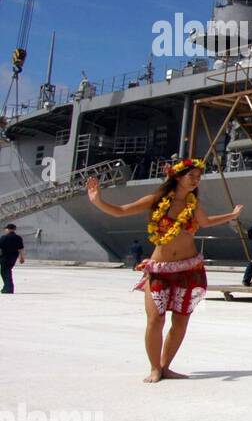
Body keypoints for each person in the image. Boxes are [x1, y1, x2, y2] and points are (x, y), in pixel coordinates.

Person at [86, 158, 243, 382]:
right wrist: (97, 201)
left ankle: (165, 366)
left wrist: (232, 215)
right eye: (192, 176)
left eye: (198, 177)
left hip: (190, 269)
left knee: (181, 321)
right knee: (155, 320)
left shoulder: (193, 205)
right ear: (177, 176)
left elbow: (205, 223)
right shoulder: (156, 200)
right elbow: (121, 211)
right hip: (160, 270)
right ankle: (154, 368)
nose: (196, 181)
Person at [0, 223, 24, 294]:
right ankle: (6, 288)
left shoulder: (4, 237)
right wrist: (21, 258)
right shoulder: (18, 238)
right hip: (13, 258)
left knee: (5, 272)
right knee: (8, 271)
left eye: (6, 229)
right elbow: (21, 249)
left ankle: (8, 289)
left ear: (8, 229)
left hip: (4, 257)